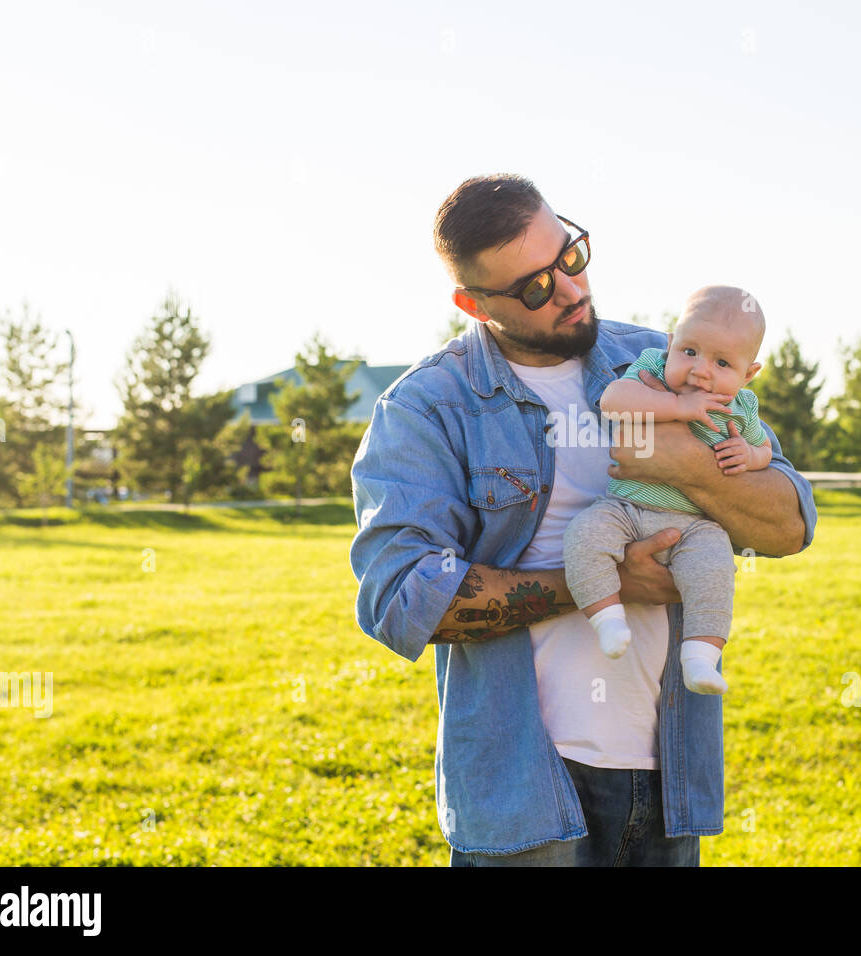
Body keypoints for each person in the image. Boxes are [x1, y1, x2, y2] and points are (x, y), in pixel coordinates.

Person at [349, 173, 818, 866]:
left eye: (569, 257)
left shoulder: (663, 363)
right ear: (472, 303)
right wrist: (600, 583)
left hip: (669, 772)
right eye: (535, 287)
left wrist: (669, 458)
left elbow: (788, 525)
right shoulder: (425, 408)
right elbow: (400, 600)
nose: (570, 290)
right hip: (524, 793)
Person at [566, 286, 772, 696]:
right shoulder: (654, 371)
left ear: (749, 374)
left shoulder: (742, 408)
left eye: (723, 362)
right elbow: (613, 400)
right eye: (690, 352)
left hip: (694, 526)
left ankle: (700, 657)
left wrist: (748, 456)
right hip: (627, 506)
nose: (700, 370)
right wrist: (678, 408)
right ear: (670, 344)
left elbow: (765, 449)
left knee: (714, 571)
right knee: (584, 535)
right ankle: (608, 619)